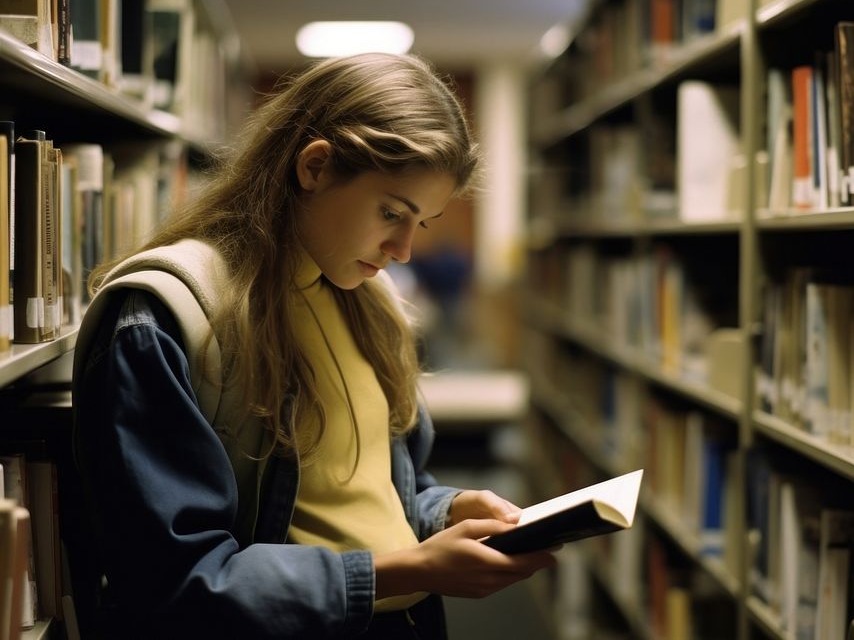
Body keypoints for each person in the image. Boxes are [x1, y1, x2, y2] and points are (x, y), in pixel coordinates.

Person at [68, 53, 556, 639]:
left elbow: (370, 492)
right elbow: (174, 579)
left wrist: (443, 511)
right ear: (315, 167)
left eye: (420, 223)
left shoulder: (371, 304)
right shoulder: (166, 318)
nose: (402, 249)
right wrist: (405, 571)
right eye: (390, 212)